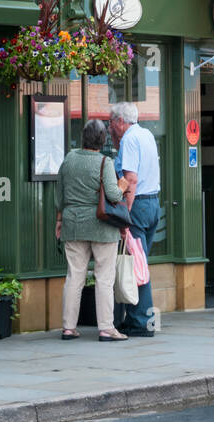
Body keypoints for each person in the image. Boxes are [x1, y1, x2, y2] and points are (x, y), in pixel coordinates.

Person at [54, 118, 128, 342]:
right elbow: (114, 196)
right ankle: (105, 328)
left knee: (74, 276)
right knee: (104, 277)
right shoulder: (104, 162)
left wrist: (59, 220)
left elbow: (60, 193)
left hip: (73, 223)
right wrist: (123, 185)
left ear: (84, 137)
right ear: (103, 140)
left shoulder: (69, 159)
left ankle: (68, 327)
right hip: (102, 227)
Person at [109, 102, 160, 338]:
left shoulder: (129, 139)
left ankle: (141, 321)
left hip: (137, 206)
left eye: (111, 123)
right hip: (152, 203)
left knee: (136, 266)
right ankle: (139, 318)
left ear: (121, 121)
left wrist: (123, 214)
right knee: (141, 263)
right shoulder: (146, 134)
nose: (110, 128)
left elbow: (130, 179)